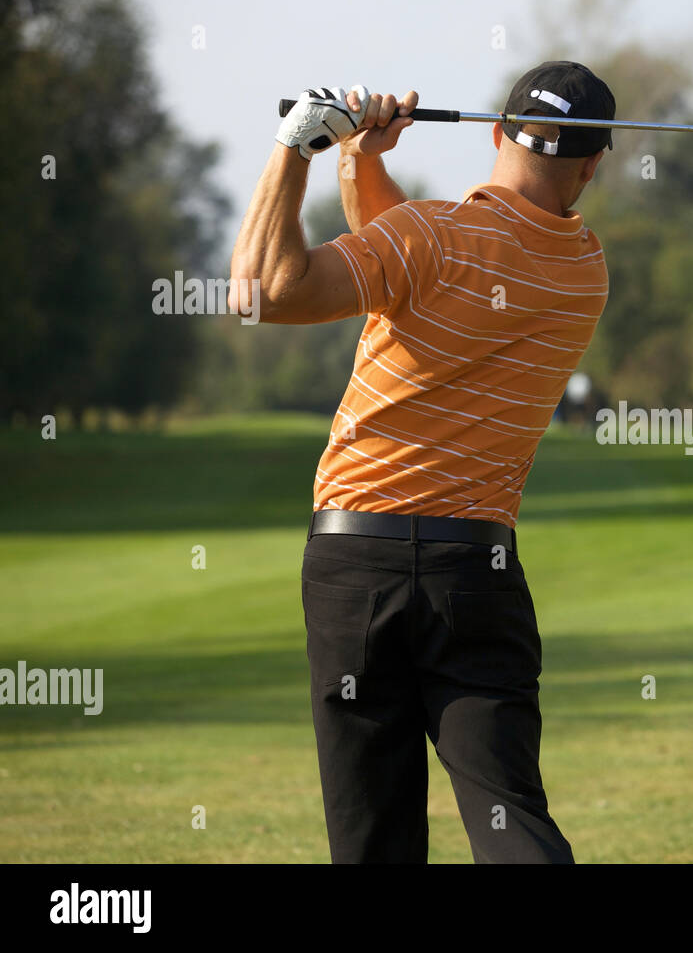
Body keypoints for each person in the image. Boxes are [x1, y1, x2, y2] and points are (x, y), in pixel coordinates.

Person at [228, 61, 616, 863]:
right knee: (512, 816)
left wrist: (296, 147)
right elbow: (416, 269)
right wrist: (363, 160)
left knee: (373, 840)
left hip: (354, 564)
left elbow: (262, 291)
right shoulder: (583, 273)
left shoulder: (430, 237)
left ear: (498, 133)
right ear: (593, 165)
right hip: (475, 573)